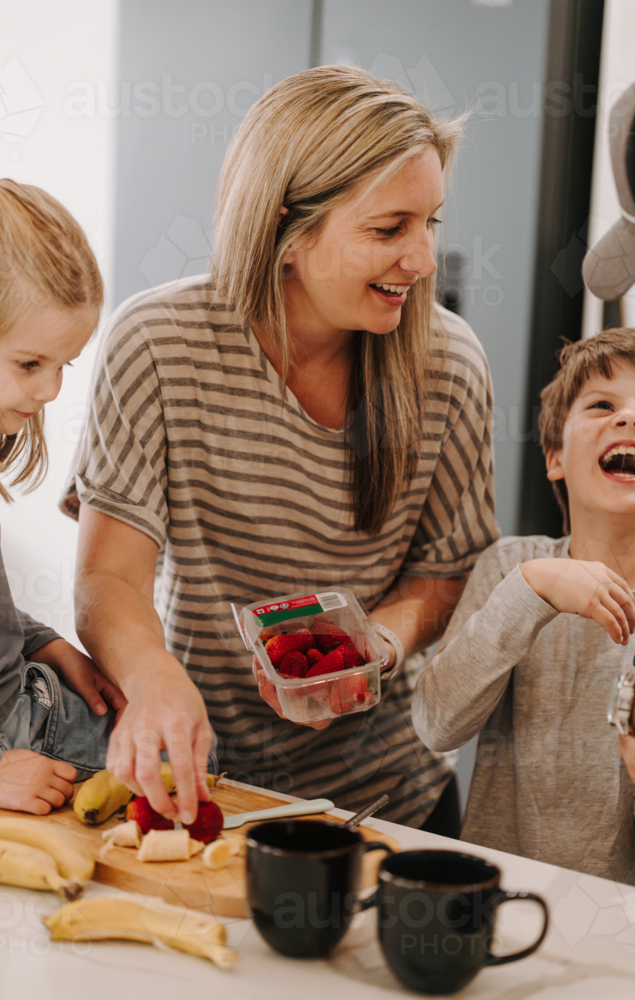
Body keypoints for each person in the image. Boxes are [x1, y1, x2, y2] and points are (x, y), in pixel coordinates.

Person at [64, 66, 499, 833]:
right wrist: (155, 678)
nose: (425, 260)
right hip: (212, 784)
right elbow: (108, 578)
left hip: (391, 800)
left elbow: (449, 570)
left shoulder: (448, 364)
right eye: (388, 228)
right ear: (285, 233)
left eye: (431, 222)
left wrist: (371, 648)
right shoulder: (159, 345)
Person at [412, 329, 635, 882]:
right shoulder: (512, 568)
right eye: (603, 405)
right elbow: (437, 724)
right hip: (496, 893)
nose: (627, 419)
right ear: (555, 457)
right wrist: (528, 590)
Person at [0, 179, 126, 814]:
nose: (53, 389)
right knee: (189, 756)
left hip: (1, 701)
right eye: (30, 364)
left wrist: (43, 643)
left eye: (65, 363)